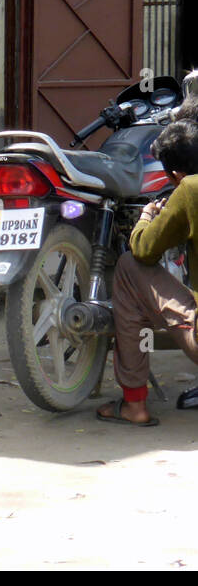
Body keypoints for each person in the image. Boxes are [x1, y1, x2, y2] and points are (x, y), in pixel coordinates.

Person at [97, 119, 198, 427]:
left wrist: (147, 216)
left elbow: (143, 249)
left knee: (129, 268)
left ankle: (134, 403)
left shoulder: (189, 189)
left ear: (175, 175)